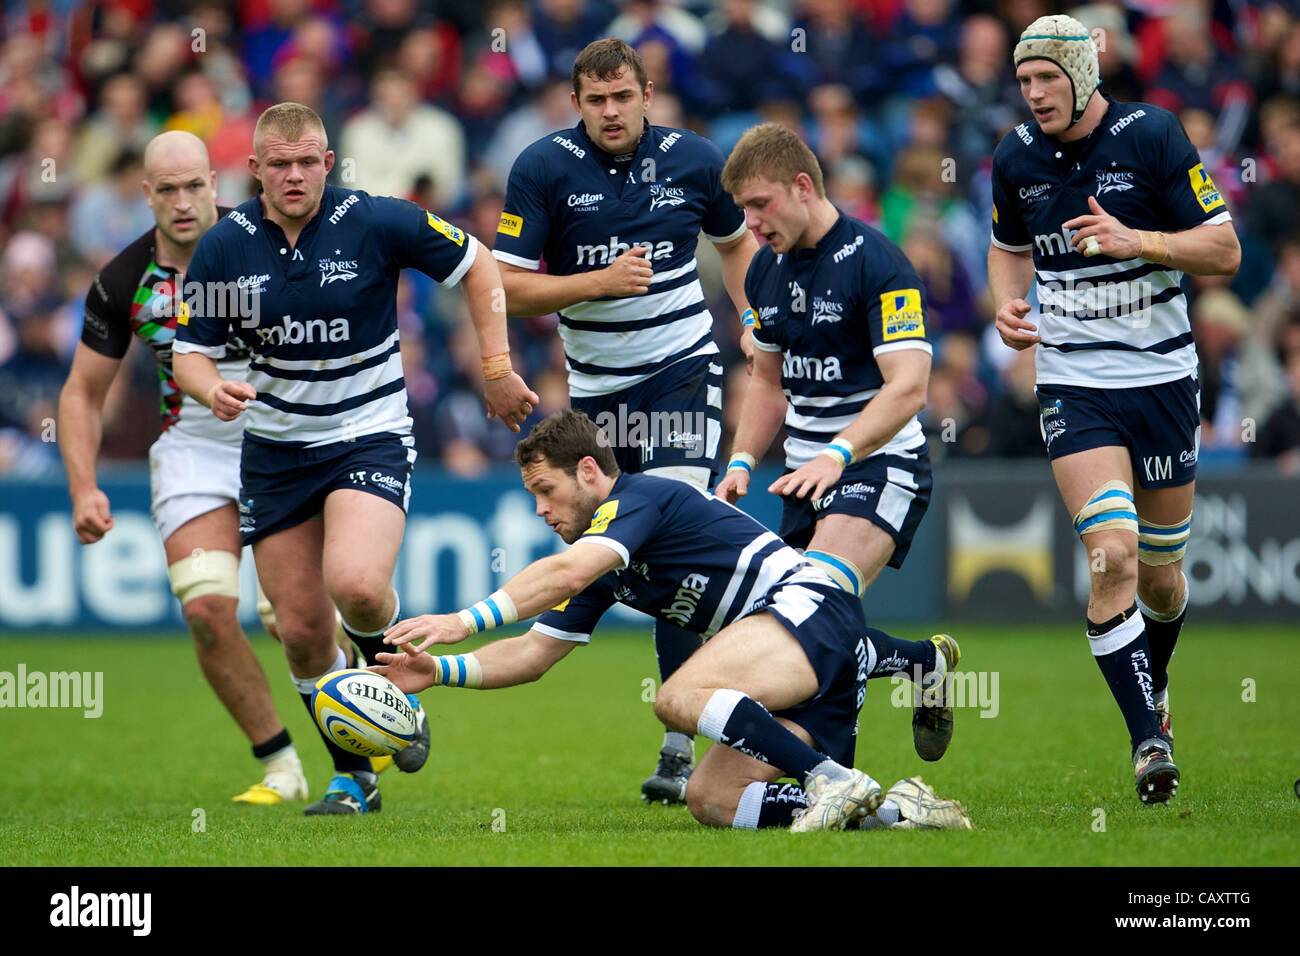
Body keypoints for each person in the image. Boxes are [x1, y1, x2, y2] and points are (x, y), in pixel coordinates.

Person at [173, 102, 537, 815]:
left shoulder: (374, 219)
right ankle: (355, 775)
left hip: (368, 435)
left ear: (329, 163)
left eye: (308, 161)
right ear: (254, 171)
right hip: (276, 453)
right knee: (304, 632)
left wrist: (495, 364)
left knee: (359, 589)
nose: (295, 175)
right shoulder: (226, 244)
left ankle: (393, 689)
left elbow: (479, 264)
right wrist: (211, 385)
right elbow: (188, 352)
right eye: (278, 164)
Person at [372, 409, 971, 833]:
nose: (540, 510)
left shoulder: (637, 500)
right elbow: (532, 653)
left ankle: (829, 778)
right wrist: (439, 670)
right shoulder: (598, 559)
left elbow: (562, 574)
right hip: (796, 662)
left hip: (810, 608)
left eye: (545, 491)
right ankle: (899, 809)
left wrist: (463, 619)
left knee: (678, 695)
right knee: (711, 800)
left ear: (587, 471)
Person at [492, 38, 760, 803]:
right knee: (623, 558)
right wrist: (600, 282)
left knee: (667, 543)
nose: (611, 112)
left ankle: (679, 742)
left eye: (623, 97)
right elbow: (507, 286)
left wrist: (751, 318)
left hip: (682, 377)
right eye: (595, 100)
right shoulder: (543, 167)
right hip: (595, 398)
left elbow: (737, 242)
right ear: (576, 103)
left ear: (648, 93)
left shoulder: (695, 158)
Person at [987, 16, 1241, 803]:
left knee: (1161, 581)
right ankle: (1147, 743)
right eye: (1024, 82)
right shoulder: (1013, 156)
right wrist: (1005, 304)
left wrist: (1140, 240)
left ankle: (1150, 691)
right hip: (1074, 386)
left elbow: (1224, 252)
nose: (1034, 96)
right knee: (1115, 557)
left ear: (1083, 76)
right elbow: (1007, 246)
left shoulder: (1154, 134)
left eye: (1047, 80)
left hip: (1163, 383)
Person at [57, 131, 312, 805]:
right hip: (193, 446)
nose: (181, 202)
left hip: (282, 436)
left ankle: (367, 709)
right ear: (146, 195)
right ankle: (282, 767)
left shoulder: (269, 240)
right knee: (205, 609)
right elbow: (82, 393)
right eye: (166, 190)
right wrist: (83, 488)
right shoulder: (121, 282)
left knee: (297, 618)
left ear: (216, 183)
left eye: (194, 185)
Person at [713, 122, 957, 761]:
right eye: (742, 210)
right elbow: (766, 382)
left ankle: (834, 778)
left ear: (802, 186)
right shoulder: (765, 272)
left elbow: (908, 387)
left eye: (760, 204)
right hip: (804, 476)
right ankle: (921, 662)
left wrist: (838, 452)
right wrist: (741, 460)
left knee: (814, 605)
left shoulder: (877, 260)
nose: (752, 222)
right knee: (806, 627)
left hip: (880, 466)